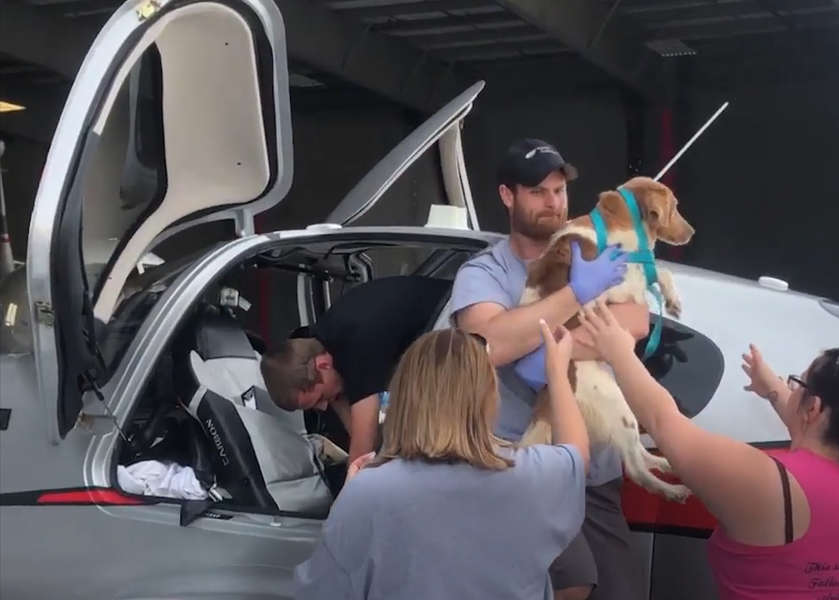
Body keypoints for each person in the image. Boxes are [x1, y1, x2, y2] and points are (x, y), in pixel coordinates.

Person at [574, 302, 839, 600]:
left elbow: (664, 421)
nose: (793, 391)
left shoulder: (768, 485)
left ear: (814, 409)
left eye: (797, 384)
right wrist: (773, 387)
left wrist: (618, 352)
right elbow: (827, 434)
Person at [446, 138, 650, 600]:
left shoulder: (592, 251)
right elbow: (487, 344)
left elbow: (634, 322)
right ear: (507, 195)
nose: (553, 202)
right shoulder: (485, 271)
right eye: (538, 191)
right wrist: (577, 298)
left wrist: (540, 347)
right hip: (521, 468)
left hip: (593, 471)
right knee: (561, 586)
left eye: (558, 190)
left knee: (624, 592)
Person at [293, 322, 590, 600]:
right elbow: (577, 453)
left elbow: (320, 590)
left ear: (405, 395)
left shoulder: (369, 491)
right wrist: (557, 373)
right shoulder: (535, 475)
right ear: (489, 395)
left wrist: (347, 499)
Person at [260, 275, 449, 462]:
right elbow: (365, 439)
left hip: (454, 322)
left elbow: (363, 451)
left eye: (321, 398)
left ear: (323, 365)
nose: (324, 406)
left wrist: (349, 490)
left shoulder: (355, 347)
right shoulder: (327, 340)